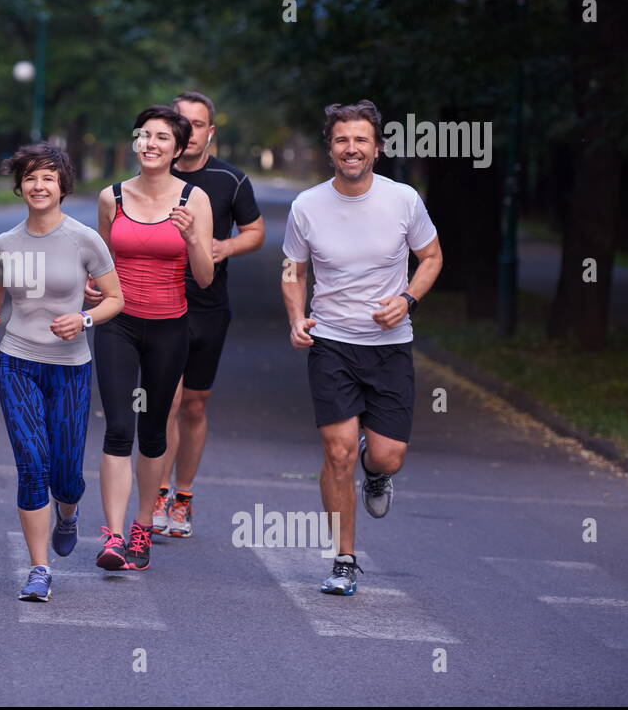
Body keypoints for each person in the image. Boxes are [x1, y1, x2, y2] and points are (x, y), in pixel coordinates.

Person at [280, 100, 442, 595]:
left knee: (387, 456)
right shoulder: (306, 205)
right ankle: (344, 560)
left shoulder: (404, 200)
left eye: (361, 140)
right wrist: (295, 318)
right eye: (342, 140)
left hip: (390, 346)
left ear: (377, 147)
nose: (352, 149)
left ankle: (377, 473)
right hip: (331, 342)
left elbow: (431, 256)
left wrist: (407, 298)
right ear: (330, 148)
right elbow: (294, 269)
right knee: (337, 451)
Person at [0, 143, 123, 600]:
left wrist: (82, 318)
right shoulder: (3, 244)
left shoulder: (84, 239)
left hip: (71, 368)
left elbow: (115, 299)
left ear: (62, 186)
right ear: (19, 186)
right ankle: (38, 569)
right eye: (30, 178)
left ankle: (68, 513)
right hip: (18, 362)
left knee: (67, 474)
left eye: (48, 178)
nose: (39, 186)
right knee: (32, 464)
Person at [89, 106, 213, 572]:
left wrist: (193, 239)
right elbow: (101, 262)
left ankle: (143, 524)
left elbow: (203, 278)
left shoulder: (193, 200)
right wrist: (93, 285)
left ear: (179, 150)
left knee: (153, 429)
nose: (152, 144)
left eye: (163, 138)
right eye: (144, 135)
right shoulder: (112, 197)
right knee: (118, 426)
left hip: (169, 325)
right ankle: (113, 536)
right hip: (118, 322)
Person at [153, 92, 265, 538]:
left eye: (198, 124)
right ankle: (157, 491)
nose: (189, 130)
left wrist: (226, 246)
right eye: (181, 121)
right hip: (160, 304)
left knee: (195, 404)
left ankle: (183, 495)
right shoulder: (152, 173)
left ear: (209, 131)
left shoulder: (230, 180)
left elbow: (254, 232)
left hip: (209, 306)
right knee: (168, 400)